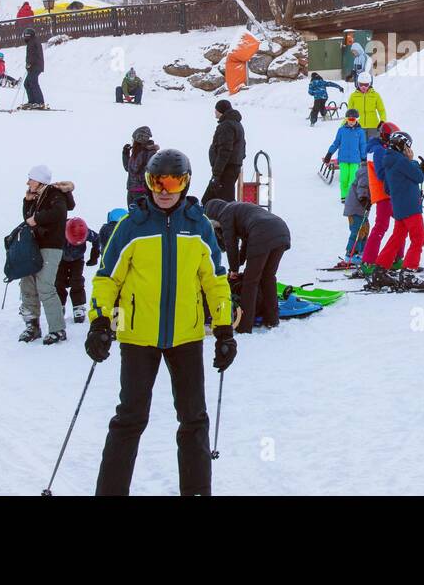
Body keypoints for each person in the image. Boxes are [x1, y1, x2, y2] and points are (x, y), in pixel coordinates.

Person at [87, 148, 235, 496]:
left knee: (194, 419)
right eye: (157, 181)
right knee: (130, 419)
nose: (165, 190)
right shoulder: (131, 226)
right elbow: (107, 279)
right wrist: (99, 322)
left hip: (186, 337)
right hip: (139, 338)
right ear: (148, 183)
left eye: (173, 181)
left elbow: (215, 279)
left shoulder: (198, 226)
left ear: (185, 183)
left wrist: (225, 330)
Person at [205, 198, 292, 333]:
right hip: (281, 231)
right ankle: (272, 319)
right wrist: (238, 263)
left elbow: (231, 244)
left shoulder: (225, 214)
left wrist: (233, 269)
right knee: (268, 277)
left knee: (250, 281)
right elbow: (247, 244)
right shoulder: (238, 209)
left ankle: (244, 326)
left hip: (263, 233)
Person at [19, 164, 75, 345]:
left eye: (31, 178)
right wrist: (27, 202)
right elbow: (27, 218)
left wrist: (38, 218)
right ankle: (32, 326)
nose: (28, 182)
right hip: (34, 246)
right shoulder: (37, 196)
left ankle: (58, 330)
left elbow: (59, 213)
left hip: (51, 246)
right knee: (27, 284)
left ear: (40, 180)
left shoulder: (54, 194)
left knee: (45, 286)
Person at [374, 130, 424, 272]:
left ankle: (381, 266)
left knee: (397, 237)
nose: (408, 150)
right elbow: (419, 177)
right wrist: (412, 162)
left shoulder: (389, 160)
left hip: (399, 207)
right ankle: (409, 270)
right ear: (401, 145)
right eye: (407, 147)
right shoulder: (401, 161)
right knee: (418, 238)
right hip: (410, 207)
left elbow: (387, 188)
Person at [360, 120, 400, 267]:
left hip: (387, 193)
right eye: (393, 138)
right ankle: (369, 261)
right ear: (385, 136)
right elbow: (382, 173)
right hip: (385, 194)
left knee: (400, 224)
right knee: (382, 226)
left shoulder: (378, 148)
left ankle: (395, 257)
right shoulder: (379, 150)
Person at [57, 218, 101, 324]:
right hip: (60, 259)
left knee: (77, 281)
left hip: (77, 259)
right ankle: (59, 306)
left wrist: (94, 255)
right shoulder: (58, 230)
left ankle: (78, 306)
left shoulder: (86, 231)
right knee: (59, 282)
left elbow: (97, 239)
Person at [202, 100, 246, 204]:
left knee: (213, 201)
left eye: (216, 110)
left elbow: (225, 151)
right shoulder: (237, 124)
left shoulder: (226, 126)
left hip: (225, 170)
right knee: (219, 200)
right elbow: (243, 147)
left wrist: (216, 174)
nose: (214, 112)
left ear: (221, 110)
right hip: (231, 168)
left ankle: (231, 219)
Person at [324, 108, 368, 201]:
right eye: (349, 119)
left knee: (352, 179)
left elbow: (363, 145)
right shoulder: (341, 130)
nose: (351, 121)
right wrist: (329, 153)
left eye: (353, 119)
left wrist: (364, 158)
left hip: (355, 160)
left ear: (357, 119)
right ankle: (344, 196)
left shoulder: (360, 132)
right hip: (343, 159)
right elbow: (336, 143)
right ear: (346, 119)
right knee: (343, 179)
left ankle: (350, 197)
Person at [122, 125, 159, 210]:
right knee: (132, 217)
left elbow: (138, 170)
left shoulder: (150, 153)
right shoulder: (137, 152)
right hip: (132, 190)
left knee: (141, 217)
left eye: (134, 139)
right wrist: (125, 154)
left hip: (142, 191)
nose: (132, 142)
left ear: (139, 139)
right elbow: (128, 168)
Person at [342, 162, 371, 266]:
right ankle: (351, 253)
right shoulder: (365, 171)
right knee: (357, 230)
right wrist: (363, 198)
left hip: (361, 209)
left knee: (365, 229)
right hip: (355, 207)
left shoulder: (369, 170)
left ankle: (362, 251)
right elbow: (362, 186)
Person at [347, 73, 388, 141]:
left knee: (373, 146)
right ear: (358, 83)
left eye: (366, 85)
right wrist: (347, 124)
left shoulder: (375, 95)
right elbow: (349, 112)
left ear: (370, 84)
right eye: (361, 84)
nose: (363, 87)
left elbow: (381, 110)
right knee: (361, 146)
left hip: (374, 127)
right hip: (359, 126)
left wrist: (382, 121)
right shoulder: (353, 96)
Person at [18, 26, 45, 109]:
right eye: (25, 35)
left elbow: (33, 55)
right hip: (34, 66)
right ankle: (32, 101)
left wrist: (29, 63)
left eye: (27, 35)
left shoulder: (33, 42)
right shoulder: (32, 42)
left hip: (35, 66)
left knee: (33, 83)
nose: (25, 37)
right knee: (27, 83)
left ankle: (40, 102)